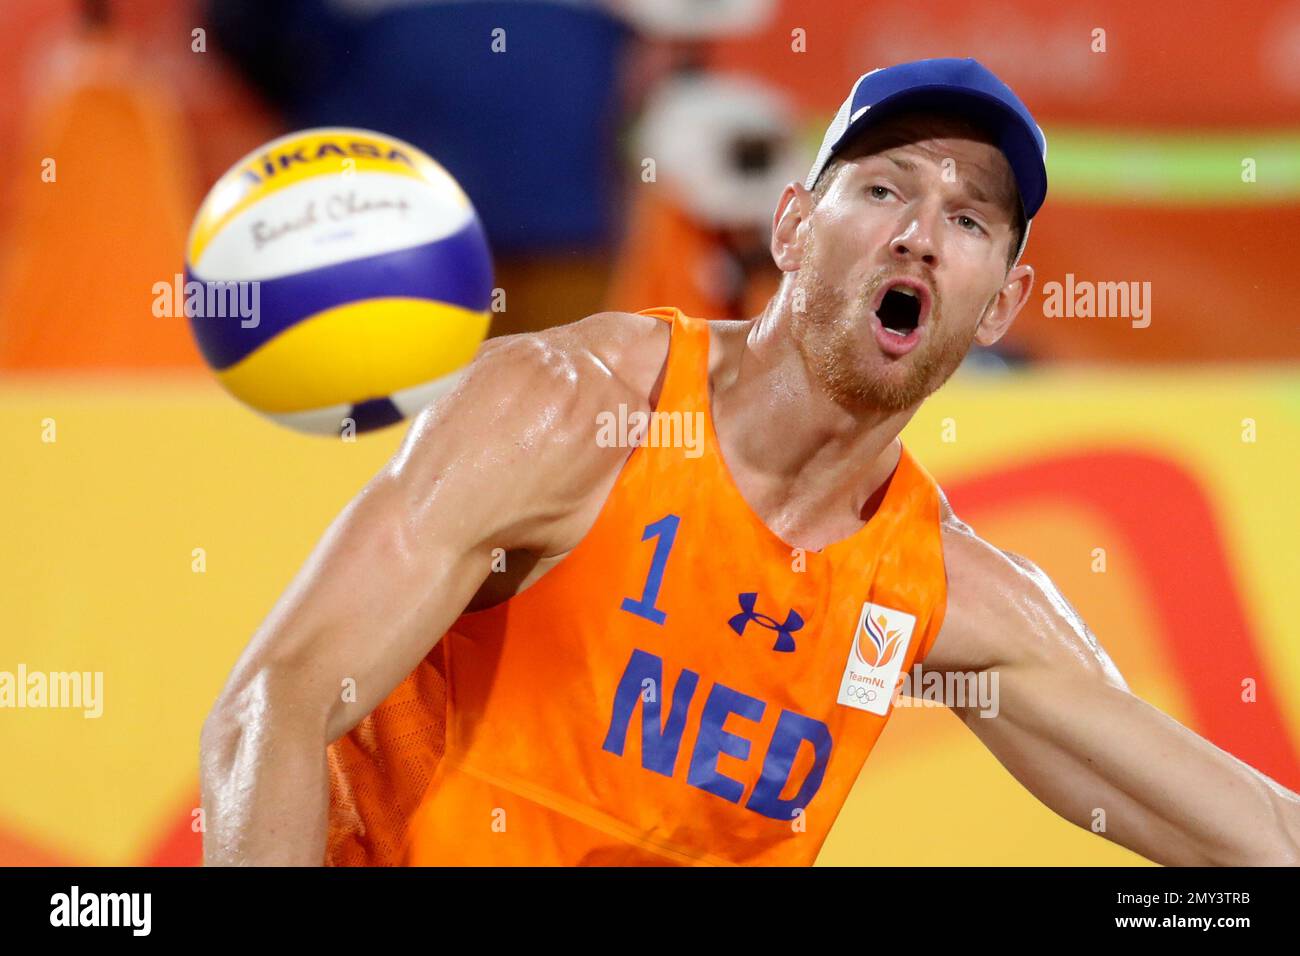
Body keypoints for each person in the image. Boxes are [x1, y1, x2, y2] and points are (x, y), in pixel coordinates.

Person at [199, 58, 1300, 867]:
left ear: (1001, 303)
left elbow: (1257, 838)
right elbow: (275, 707)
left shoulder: (942, 594)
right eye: (882, 189)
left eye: (969, 219)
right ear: (789, 227)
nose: (920, 231)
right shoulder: (575, 412)